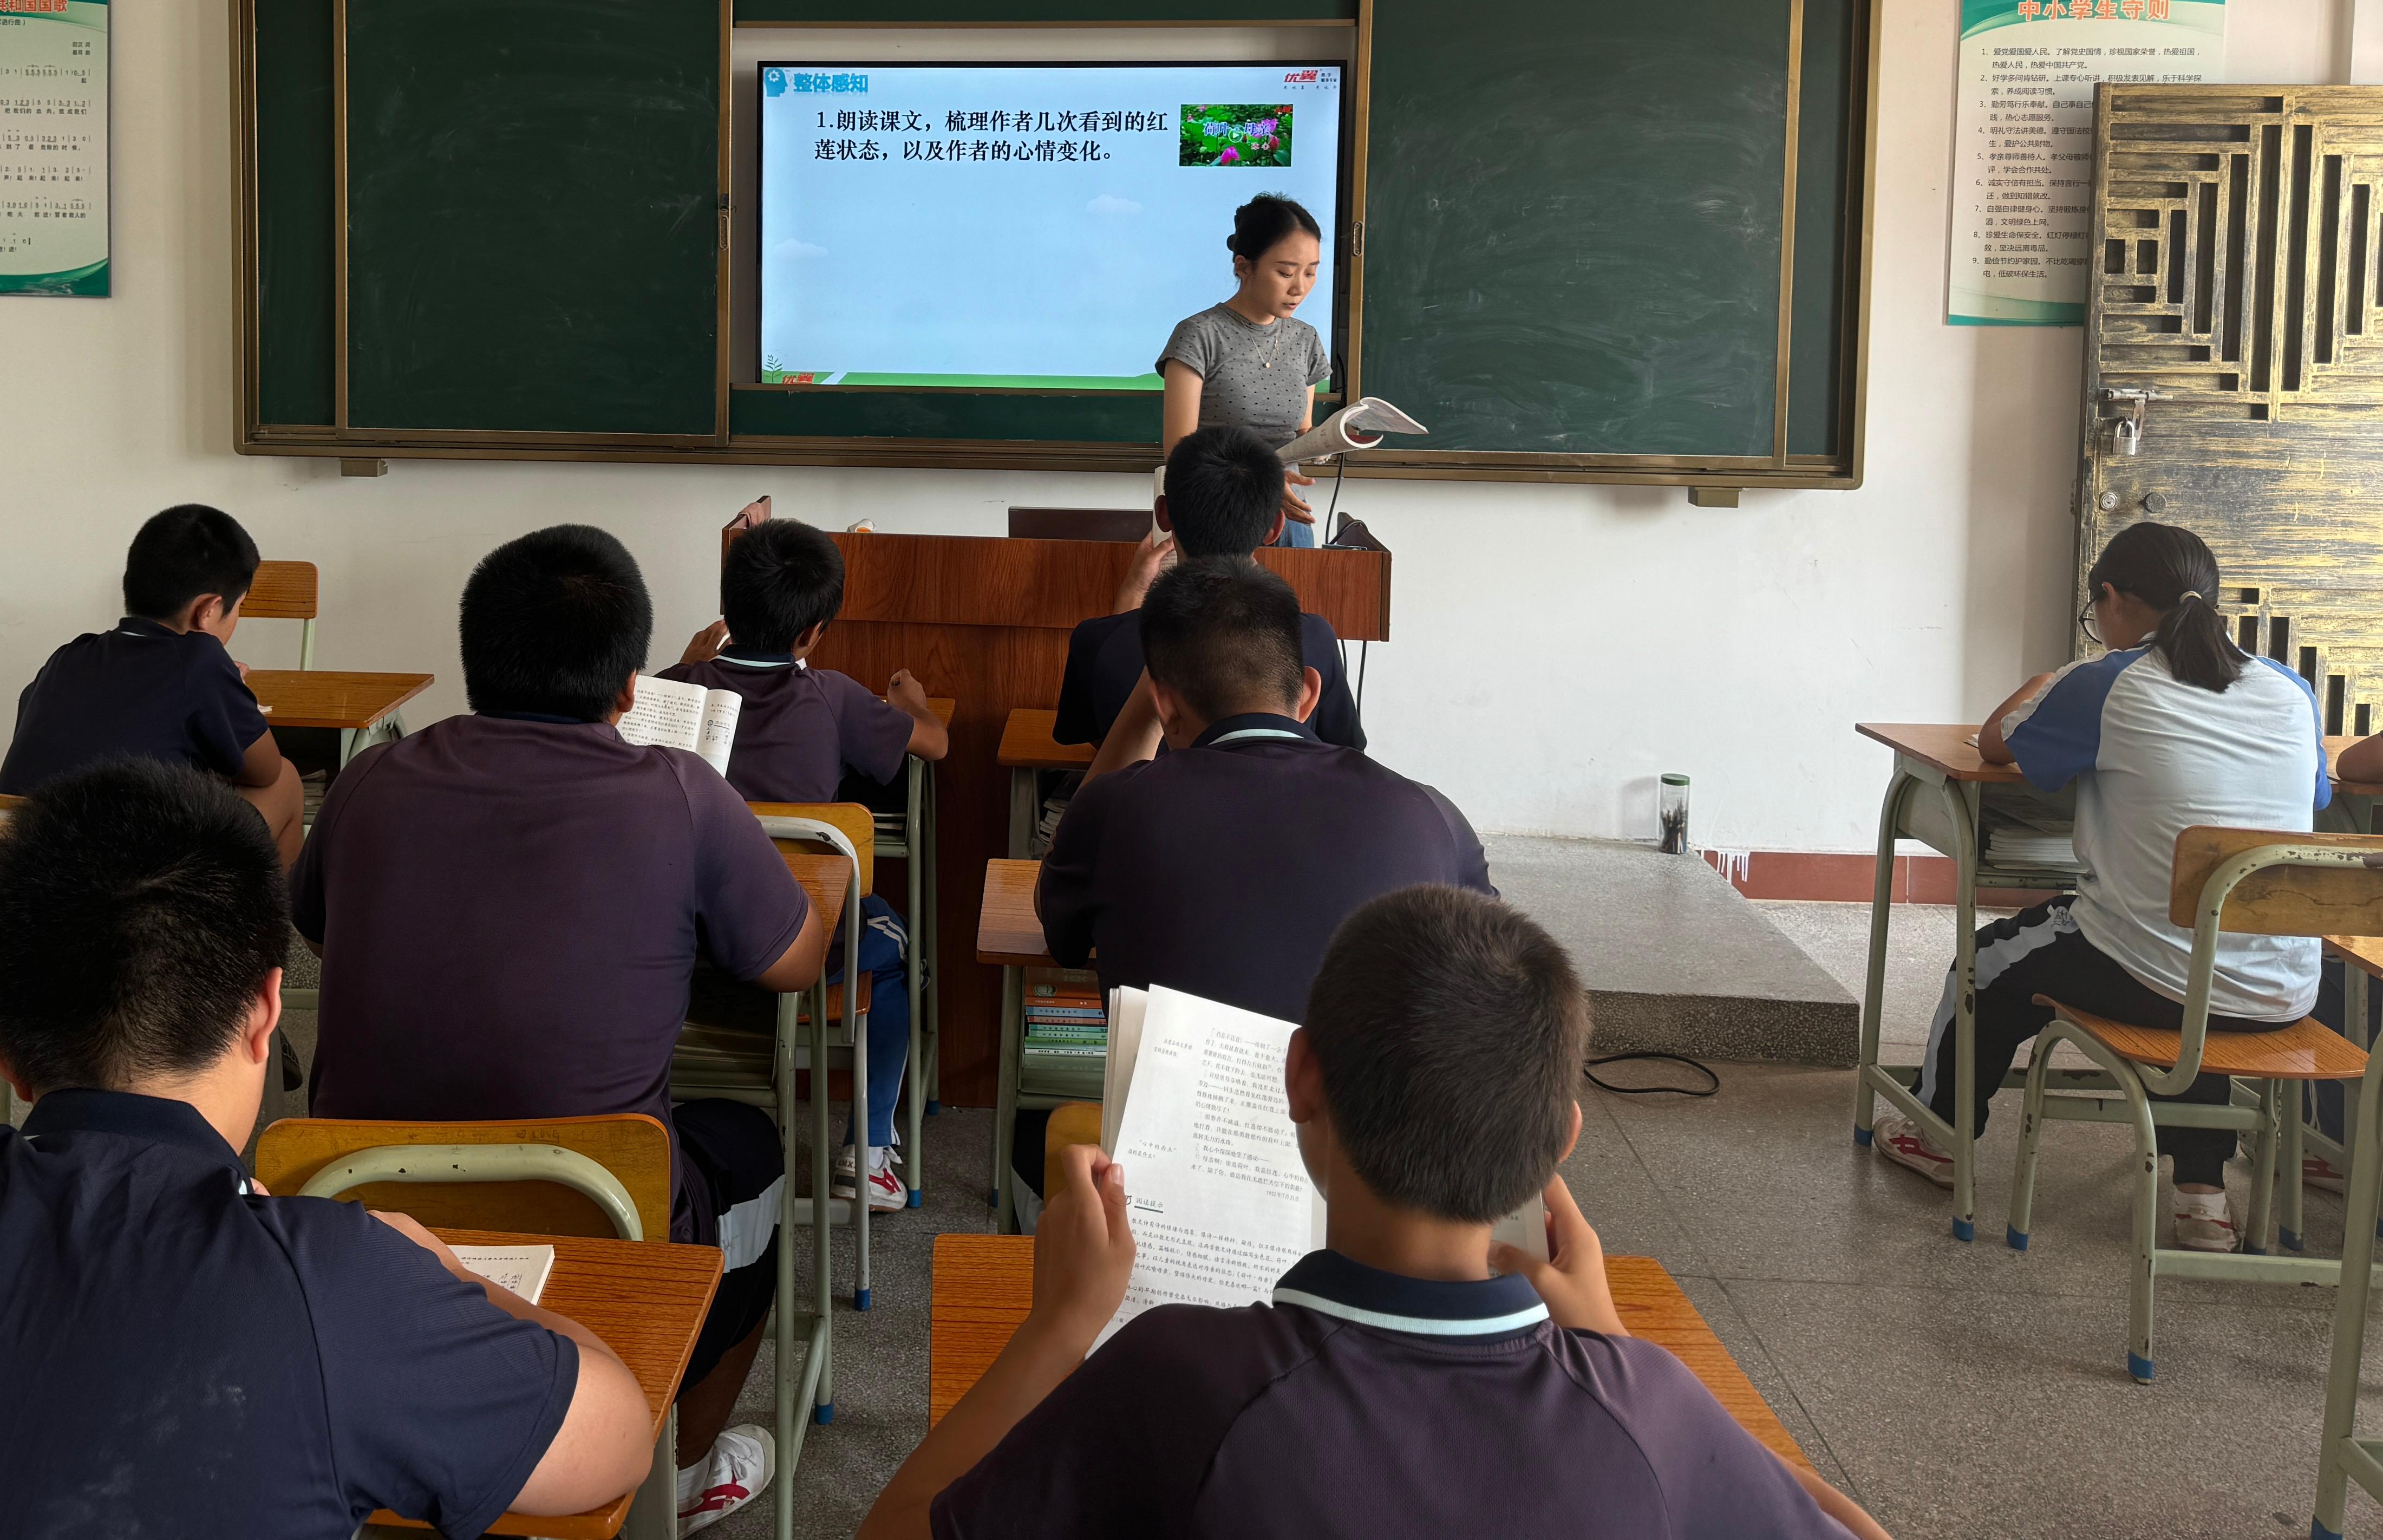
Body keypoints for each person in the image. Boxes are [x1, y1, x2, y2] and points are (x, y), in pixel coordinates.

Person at [0, 760, 649, 1537]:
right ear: (266, 1010)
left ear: (3, 1051)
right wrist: (448, 1273)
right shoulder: (331, 1284)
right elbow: (616, 1438)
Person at [861, 886, 1888, 1540]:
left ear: (1301, 1074)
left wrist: (1059, 1324)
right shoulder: (1648, 1410)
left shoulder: (1179, 1378)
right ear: (1561, 1140)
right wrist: (1619, 1347)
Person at [293, 525, 835, 1535]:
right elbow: (795, 961)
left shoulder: (367, 778)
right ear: (631, 687)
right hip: (605, 1234)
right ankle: (685, 1468)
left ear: (473, 658)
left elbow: (320, 925)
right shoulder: (684, 793)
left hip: (363, 1226)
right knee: (755, 1150)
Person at [1879, 521, 2328, 1254]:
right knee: (2194, 972)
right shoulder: (2291, 690)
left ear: (2112, 599)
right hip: (2281, 992)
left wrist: (2058, 673)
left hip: (2157, 977)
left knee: (1986, 965)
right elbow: (2315, 793)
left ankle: (1935, 1134)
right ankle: (2203, 1200)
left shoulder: (2108, 682)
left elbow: (1995, 743)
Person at [1039, 556, 1490, 1022]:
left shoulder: (1113, 810)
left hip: (1174, 1072)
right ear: (1309, 693)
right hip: (1370, 1071)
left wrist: (1142, 715)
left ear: (1163, 706)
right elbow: (1486, 976)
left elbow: (1061, 937)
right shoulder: (1434, 815)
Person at [658, 514, 950, 1213]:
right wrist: (914, 704)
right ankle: (868, 1155)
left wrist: (684, 663)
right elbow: (936, 744)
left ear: (726, 611)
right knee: (897, 949)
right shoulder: (834, 696)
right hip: (799, 943)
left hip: (680, 947)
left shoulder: (676, 687)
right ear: (813, 633)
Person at [0, 502, 304, 863]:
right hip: (128, 874)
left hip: (19, 863)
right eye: (239, 608)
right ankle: (270, 902)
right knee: (286, 780)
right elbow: (265, 771)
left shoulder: (69, 655)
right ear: (208, 610)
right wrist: (235, 694)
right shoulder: (202, 659)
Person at [1051, 427, 1364, 754]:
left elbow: (1104, 746)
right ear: (1274, 528)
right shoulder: (1314, 636)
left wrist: (1130, 598)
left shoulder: (1096, 640)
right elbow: (1344, 748)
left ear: (1163, 515)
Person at [1157, 191, 1331, 546]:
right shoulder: (1199, 335)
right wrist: (1264, 482)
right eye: (1285, 272)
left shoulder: (1305, 339)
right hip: (1215, 516)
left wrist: (1331, 440)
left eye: (1311, 272)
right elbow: (1179, 453)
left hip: (1289, 515)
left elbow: (1301, 431)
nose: (1300, 287)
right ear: (1243, 267)